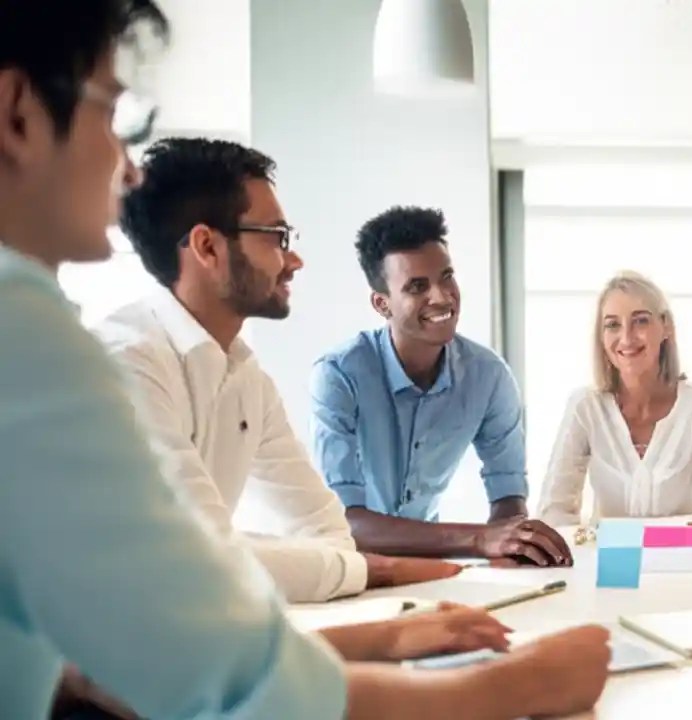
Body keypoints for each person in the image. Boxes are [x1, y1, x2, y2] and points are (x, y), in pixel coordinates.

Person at [0, 1, 609, 718]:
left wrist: (381, 621)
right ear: (18, 114)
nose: (127, 169)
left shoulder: (239, 372)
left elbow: (278, 562)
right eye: (112, 113)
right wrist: (515, 686)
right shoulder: (52, 338)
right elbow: (216, 639)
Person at [96, 137, 460, 603]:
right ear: (207, 246)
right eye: (277, 237)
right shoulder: (125, 365)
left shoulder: (245, 375)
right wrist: (376, 571)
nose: (294, 261)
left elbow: (326, 533)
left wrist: (347, 568)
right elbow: (202, 560)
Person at [312, 206, 572, 567]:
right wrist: (479, 539)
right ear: (382, 303)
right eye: (417, 286)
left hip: (427, 566)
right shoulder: (339, 376)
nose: (442, 297)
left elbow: (508, 496)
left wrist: (513, 547)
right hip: (345, 568)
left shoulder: (489, 376)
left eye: (446, 277)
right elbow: (343, 523)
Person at [537, 271, 692, 526]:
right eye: (612, 325)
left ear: (665, 326)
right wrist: (579, 544)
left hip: (681, 550)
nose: (626, 338)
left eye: (641, 321)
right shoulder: (585, 407)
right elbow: (553, 511)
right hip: (604, 552)